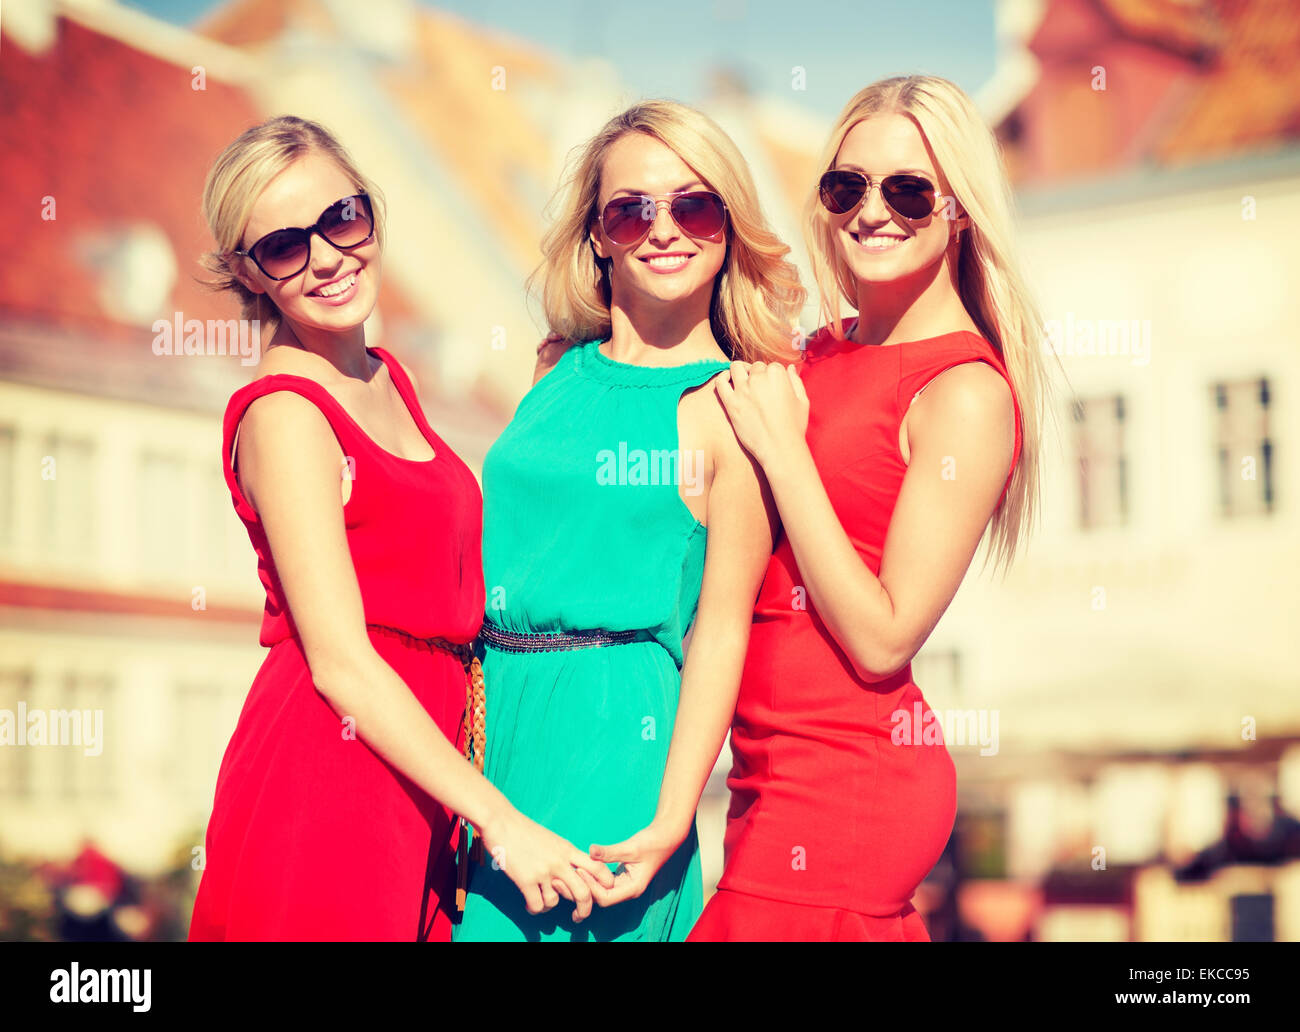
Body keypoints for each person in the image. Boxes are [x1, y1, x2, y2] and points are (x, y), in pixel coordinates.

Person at [188, 116, 613, 942]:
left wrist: (540, 409)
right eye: (284, 246)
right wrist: (504, 823)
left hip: (421, 771)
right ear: (247, 272)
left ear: (369, 210)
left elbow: (435, 562)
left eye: (341, 218)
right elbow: (343, 663)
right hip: (331, 771)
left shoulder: (385, 378)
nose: (326, 257)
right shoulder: (287, 415)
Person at [689, 75, 1052, 941]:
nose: (872, 211)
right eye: (847, 186)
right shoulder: (812, 354)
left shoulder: (965, 391)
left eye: (909, 190)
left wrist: (785, 455)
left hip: (848, 777)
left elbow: (886, 636)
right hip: (763, 767)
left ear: (960, 210)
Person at [453, 100, 803, 941]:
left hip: (616, 744)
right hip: (492, 724)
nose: (664, 229)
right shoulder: (553, 372)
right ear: (598, 236)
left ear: (728, 226)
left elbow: (722, 629)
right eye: (632, 210)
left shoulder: (732, 406)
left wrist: (673, 816)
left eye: (694, 205)